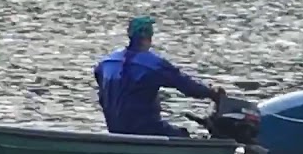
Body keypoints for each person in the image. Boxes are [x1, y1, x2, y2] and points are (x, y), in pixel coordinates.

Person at [94, 16, 224, 137]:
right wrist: (211, 93)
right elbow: (187, 85)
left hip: (115, 130)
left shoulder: (107, 62)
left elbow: (100, 83)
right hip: (146, 130)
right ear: (149, 37)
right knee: (183, 135)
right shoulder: (153, 65)